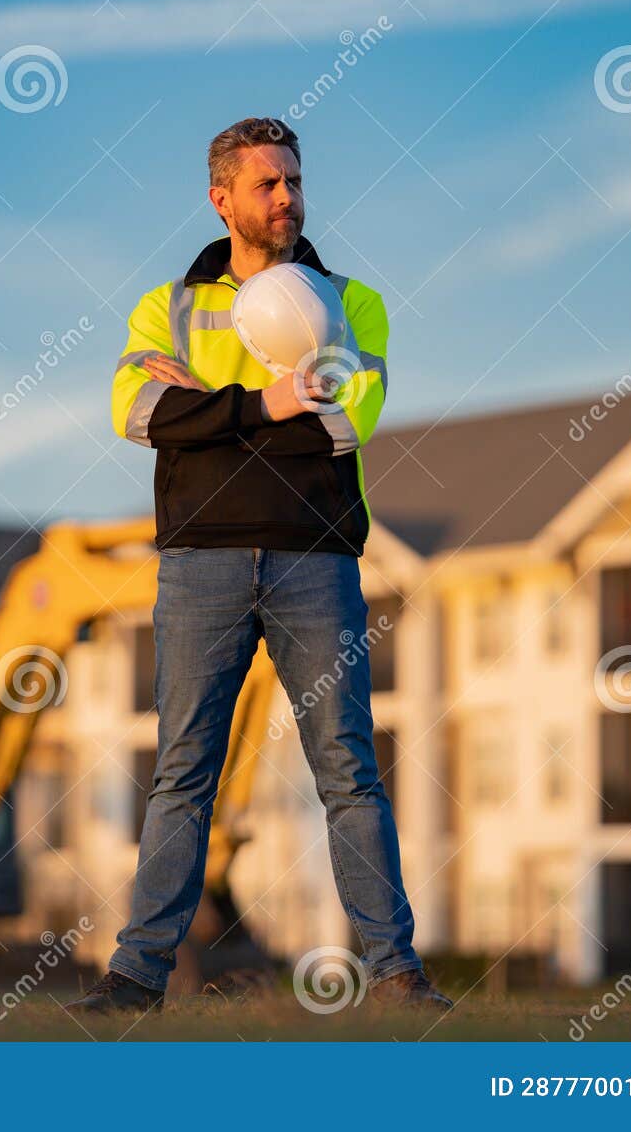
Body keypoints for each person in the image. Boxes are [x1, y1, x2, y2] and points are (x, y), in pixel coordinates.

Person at [66, 118, 452, 1015]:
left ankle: (397, 975)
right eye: (267, 184)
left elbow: (348, 422)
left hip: (315, 557)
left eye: (294, 181)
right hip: (197, 561)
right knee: (181, 774)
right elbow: (135, 414)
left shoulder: (353, 303)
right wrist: (271, 400)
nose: (287, 198)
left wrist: (210, 411)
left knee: (347, 770)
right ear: (222, 198)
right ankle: (135, 980)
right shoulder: (167, 306)